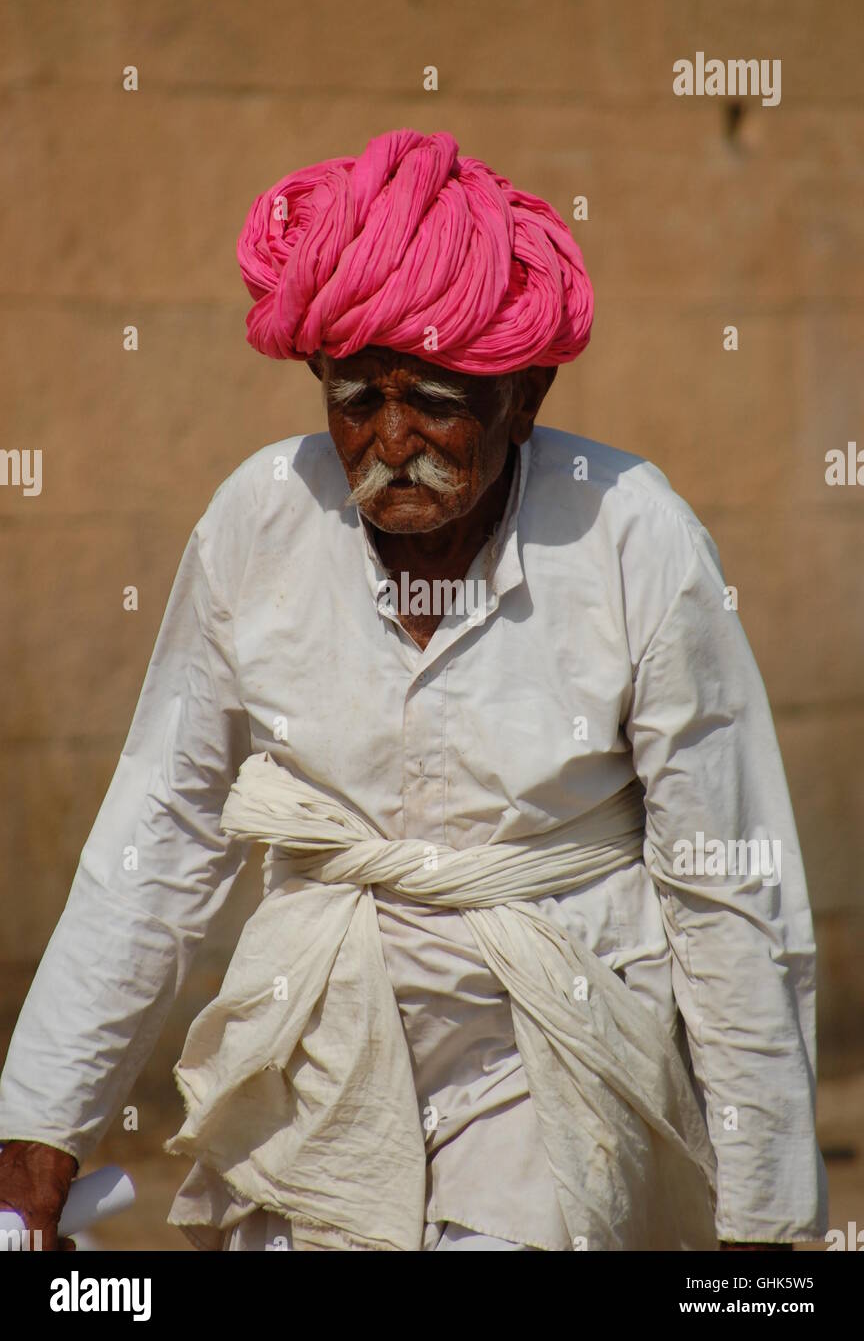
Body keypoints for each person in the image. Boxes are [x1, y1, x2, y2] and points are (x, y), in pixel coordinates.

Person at [0, 128, 827, 1251]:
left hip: (550, 1054)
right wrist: (42, 1129)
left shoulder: (633, 533)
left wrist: (766, 1224)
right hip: (319, 1047)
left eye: (434, 401)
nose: (392, 442)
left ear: (522, 395)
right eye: (357, 400)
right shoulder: (258, 519)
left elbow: (725, 884)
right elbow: (163, 828)